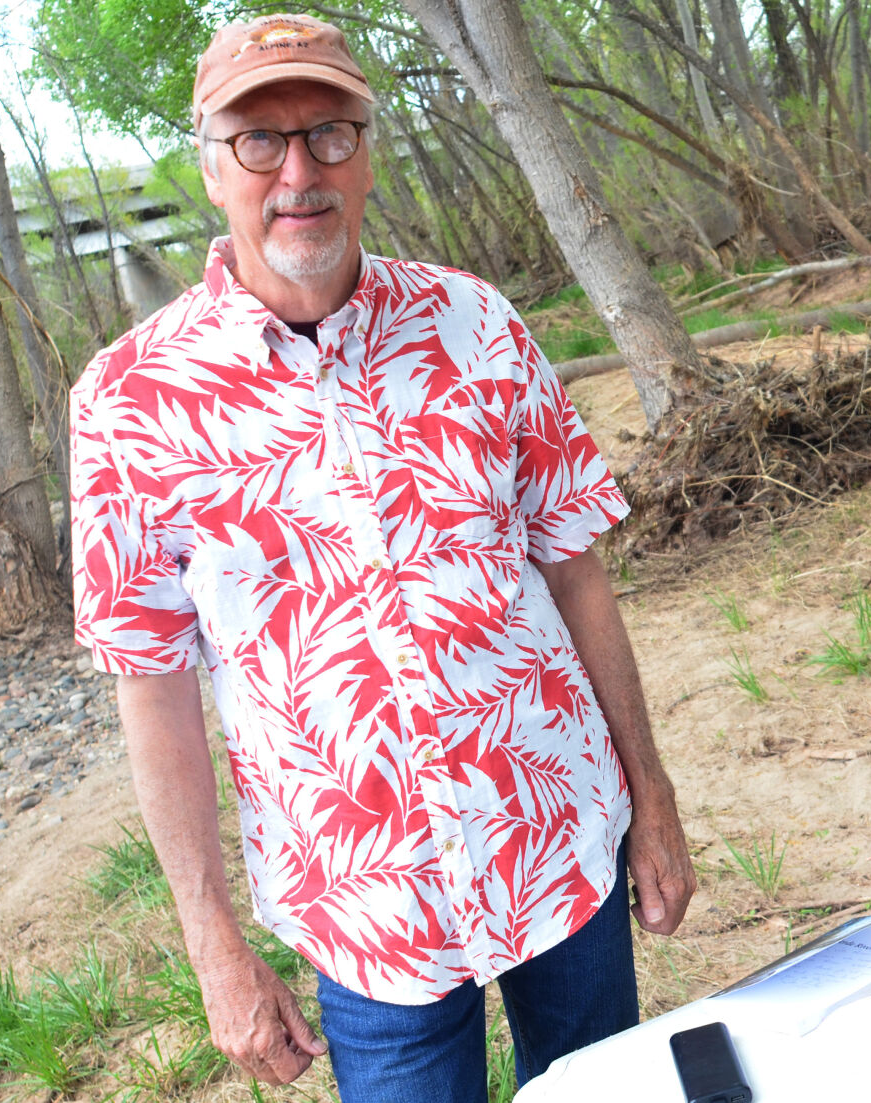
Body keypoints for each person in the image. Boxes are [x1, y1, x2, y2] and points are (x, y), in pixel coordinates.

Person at [69, 14, 695, 1101]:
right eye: (258, 141)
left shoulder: (477, 326)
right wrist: (212, 938)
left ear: (369, 151)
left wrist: (652, 792)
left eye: (329, 133)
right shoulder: (129, 403)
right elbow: (151, 681)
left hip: (555, 838)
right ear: (211, 167)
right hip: (363, 904)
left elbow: (576, 571)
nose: (298, 171)